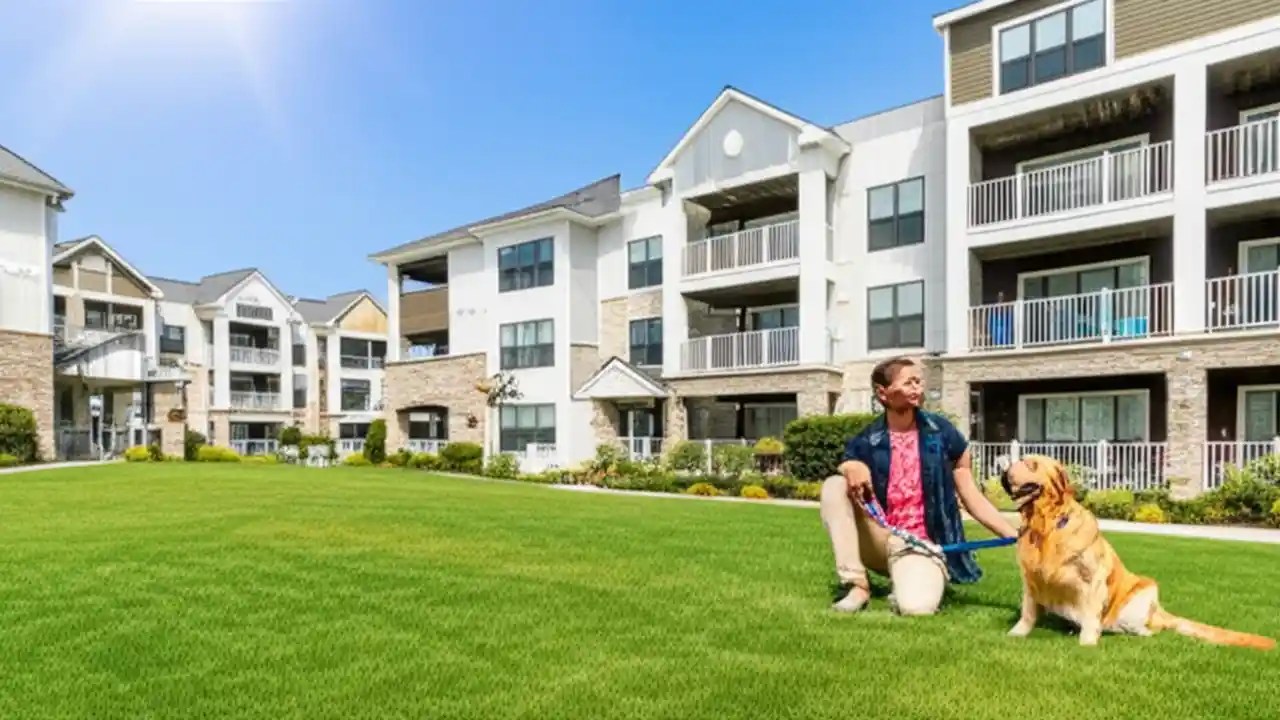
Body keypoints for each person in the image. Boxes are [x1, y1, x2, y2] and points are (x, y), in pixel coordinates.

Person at [819, 356, 1017, 616]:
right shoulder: (867, 440)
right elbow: (845, 467)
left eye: (918, 381)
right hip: (879, 538)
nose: (917, 388)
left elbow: (970, 494)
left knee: (917, 608)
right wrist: (851, 466)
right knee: (834, 485)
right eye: (909, 382)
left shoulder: (942, 432)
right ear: (883, 393)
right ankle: (857, 585)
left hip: (920, 546)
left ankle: (908, 582)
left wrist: (1012, 534)